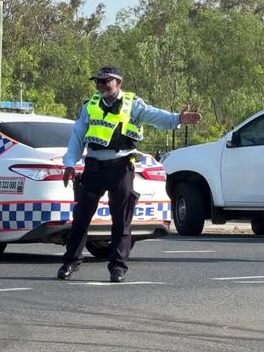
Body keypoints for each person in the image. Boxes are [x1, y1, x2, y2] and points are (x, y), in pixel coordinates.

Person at [58, 65, 202, 282]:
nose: (101, 85)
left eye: (106, 81)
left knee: (122, 220)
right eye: (98, 81)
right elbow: (77, 137)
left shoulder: (133, 104)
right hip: (94, 167)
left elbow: (155, 116)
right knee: (81, 218)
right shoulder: (89, 107)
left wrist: (178, 119)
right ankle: (71, 262)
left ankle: (117, 267)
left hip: (121, 167)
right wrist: (70, 163)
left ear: (118, 83)